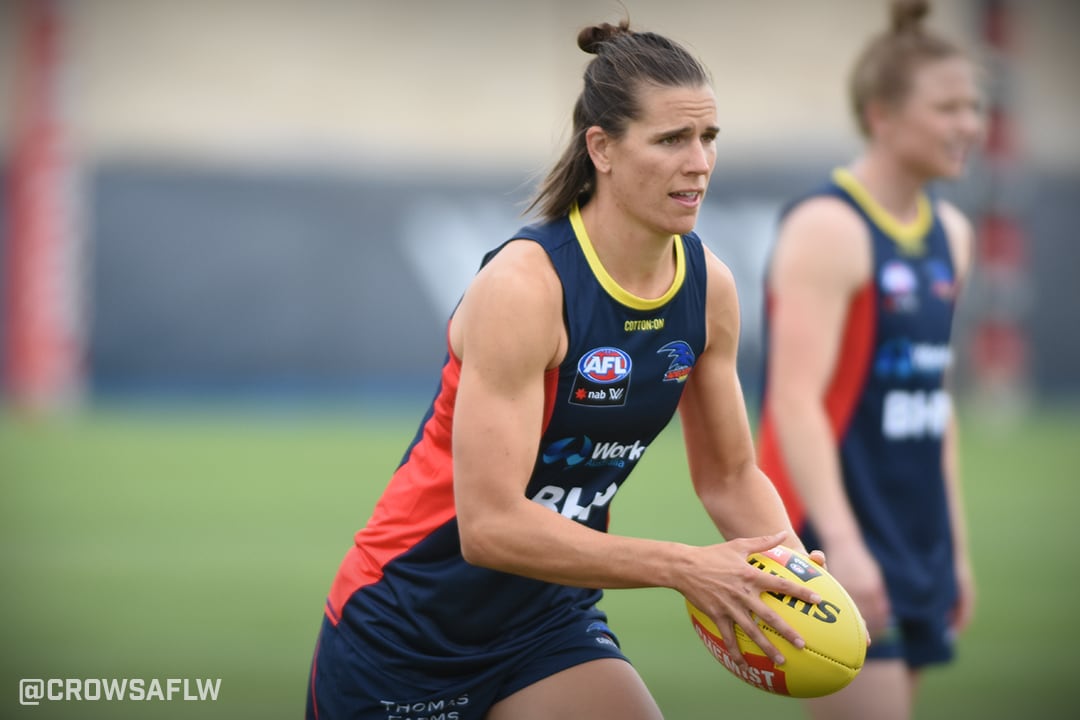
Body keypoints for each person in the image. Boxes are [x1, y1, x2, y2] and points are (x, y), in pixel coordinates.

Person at [307, 19, 825, 720]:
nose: (699, 162)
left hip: (546, 622)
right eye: (672, 139)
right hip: (406, 626)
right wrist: (685, 567)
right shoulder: (528, 285)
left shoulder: (709, 287)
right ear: (602, 149)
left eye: (708, 139)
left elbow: (729, 477)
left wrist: (794, 577)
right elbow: (489, 527)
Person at [755, 2, 981, 719]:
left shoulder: (952, 231)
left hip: (914, 534)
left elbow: (933, 405)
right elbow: (794, 401)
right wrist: (843, 546)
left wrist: (954, 547)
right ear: (881, 115)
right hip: (837, 533)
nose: (968, 125)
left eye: (973, 106)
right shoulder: (829, 227)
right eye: (947, 107)